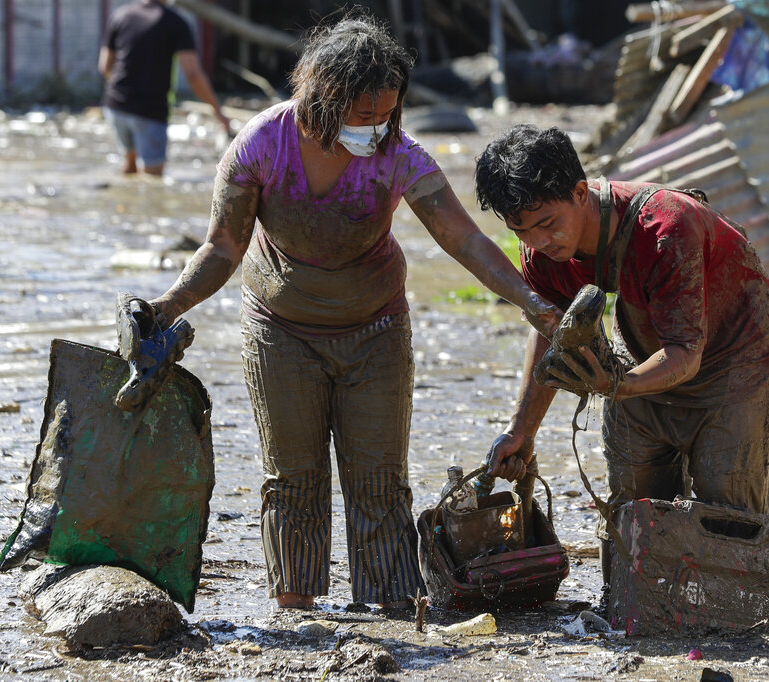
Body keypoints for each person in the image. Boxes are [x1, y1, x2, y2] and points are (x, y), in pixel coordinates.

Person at [144, 16, 559, 610]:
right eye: (361, 116)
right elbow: (222, 247)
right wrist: (169, 305)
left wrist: (535, 305)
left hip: (376, 329)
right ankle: (296, 612)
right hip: (279, 328)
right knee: (293, 478)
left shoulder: (398, 155)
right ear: (320, 97)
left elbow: (462, 239)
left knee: (379, 481)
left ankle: (390, 608)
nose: (374, 129)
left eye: (386, 115)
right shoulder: (260, 146)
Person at [476, 124, 769, 585]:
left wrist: (620, 386)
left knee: (729, 525)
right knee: (633, 519)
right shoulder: (541, 252)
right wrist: (522, 430)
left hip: (730, 356)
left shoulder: (665, 227)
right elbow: (551, 331)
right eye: (521, 230)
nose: (537, 242)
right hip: (645, 349)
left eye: (546, 224)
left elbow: (686, 353)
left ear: (581, 193)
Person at [98, 0, 230, 176]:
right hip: (150, 110)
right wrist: (218, 111)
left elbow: (105, 67)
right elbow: (193, 75)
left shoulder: (121, 15)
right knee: (153, 178)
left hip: (115, 106)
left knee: (129, 166)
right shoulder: (175, 22)